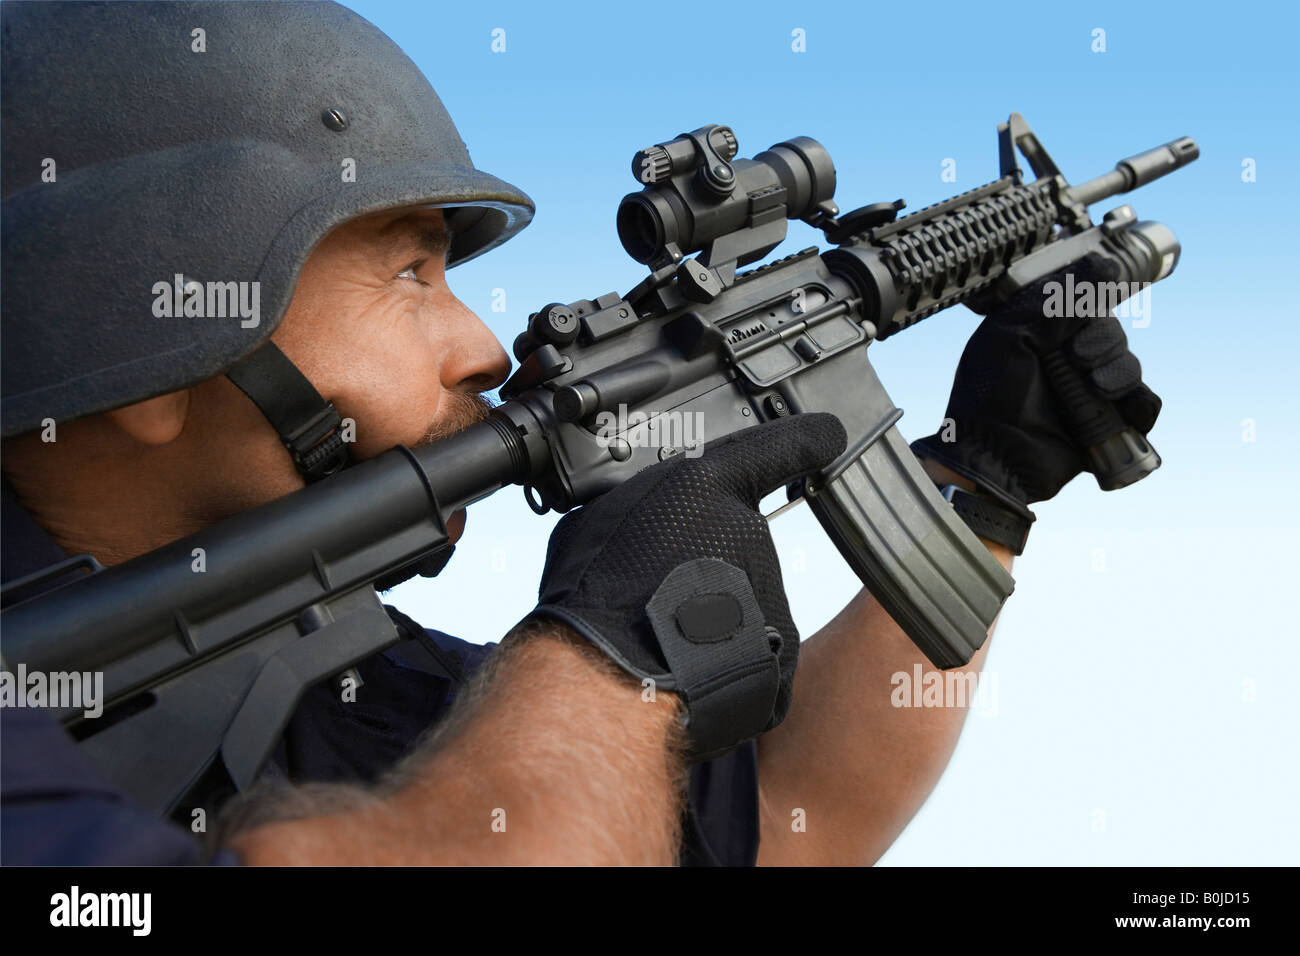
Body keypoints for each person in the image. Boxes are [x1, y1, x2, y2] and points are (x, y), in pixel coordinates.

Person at [0, 2, 1160, 866]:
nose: (481, 345)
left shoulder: (349, 676)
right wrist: (612, 660)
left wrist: (982, 486)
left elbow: (789, 822)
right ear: (152, 342)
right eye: (407, 274)